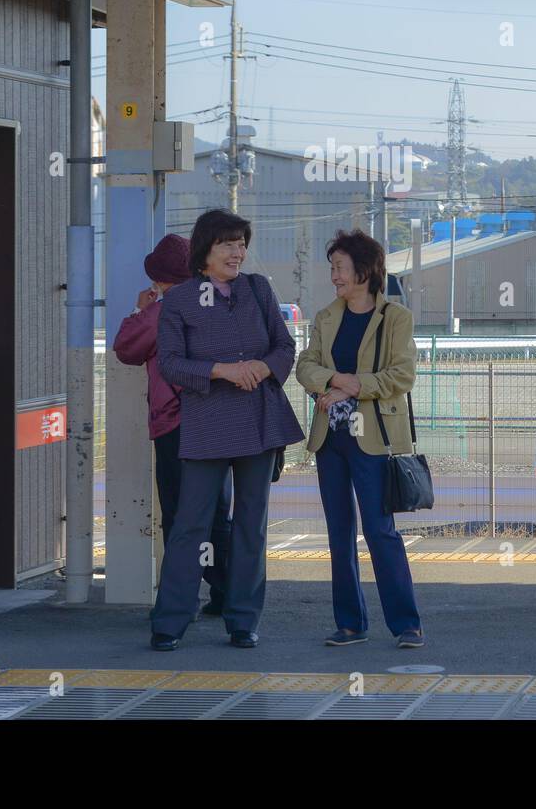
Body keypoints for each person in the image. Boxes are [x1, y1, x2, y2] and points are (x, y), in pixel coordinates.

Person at [149, 209, 304, 650]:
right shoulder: (179, 300)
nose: (238, 252)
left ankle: (243, 619)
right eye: (228, 244)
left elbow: (285, 347)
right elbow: (171, 364)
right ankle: (171, 619)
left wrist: (261, 366)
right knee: (190, 523)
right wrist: (221, 370)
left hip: (259, 423)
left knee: (251, 524)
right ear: (205, 252)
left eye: (241, 243)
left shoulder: (258, 289)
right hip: (207, 426)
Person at [296, 228, 424, 648]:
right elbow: (305, 366)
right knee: (338, 531)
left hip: (374, 438)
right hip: (331, 439)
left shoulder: (396, 318)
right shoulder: (326, 316)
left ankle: (407, 624)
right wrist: (334, 381)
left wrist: (351, 385)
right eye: (332, 268)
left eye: (339, 268)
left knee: (379, 529)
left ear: (365, 271)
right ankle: (350, 623)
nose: (333, 276)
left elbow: (401, 375)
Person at [111, 233, 231, 617]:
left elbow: (126, 348)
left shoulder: (162, 312)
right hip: (217, 423)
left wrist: (140, 310)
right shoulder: (218, 304)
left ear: (162, 279)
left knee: (180, 514)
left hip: (174, 424)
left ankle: (181, 600)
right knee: (215, 512)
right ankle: (226, 593)